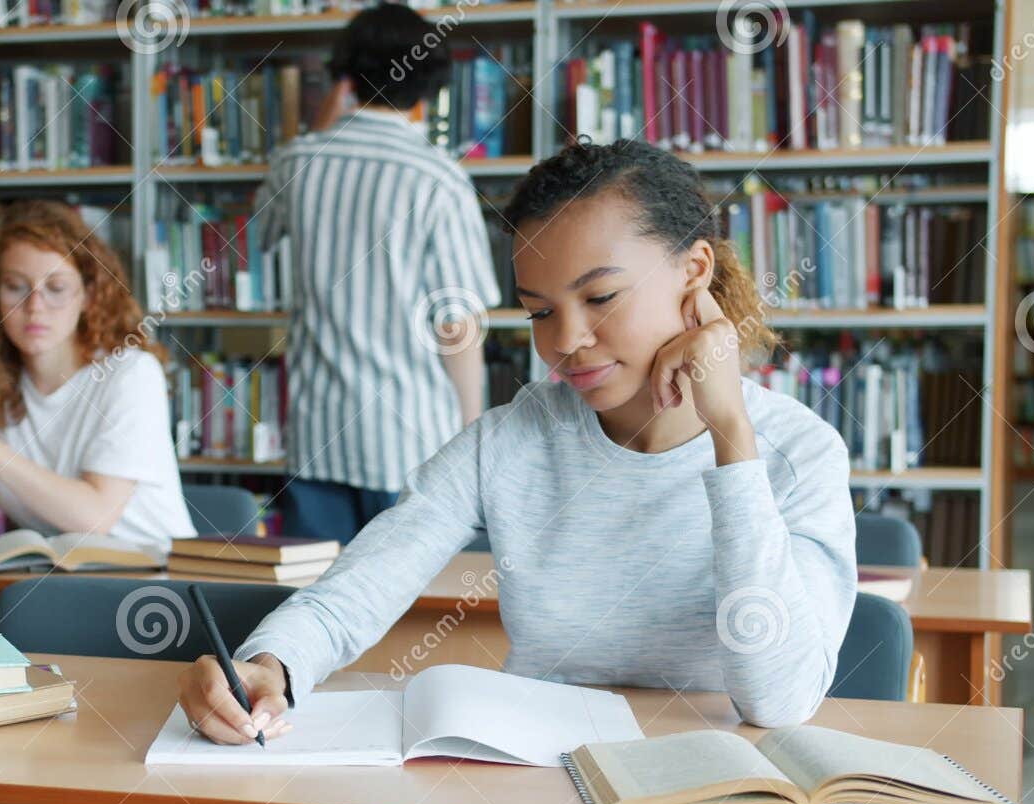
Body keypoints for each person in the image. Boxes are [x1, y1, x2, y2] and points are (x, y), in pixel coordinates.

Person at [178, 137, 859, 744]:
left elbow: (778, 701)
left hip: (711, 799)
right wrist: (269, 665)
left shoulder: (799, 454)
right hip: (539, 785)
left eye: (601, 298)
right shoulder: (512, 440)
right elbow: (361, 586)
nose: (566, 340)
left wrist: (732, 436)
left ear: (695, 269)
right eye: (539, 311)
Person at [252, 2, 501, 544]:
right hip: (411, 444)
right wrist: (471, 435)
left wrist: (322, 121)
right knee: (413, 594)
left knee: (316, 588)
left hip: (318, 436)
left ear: (345, 75)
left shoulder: (297, 162)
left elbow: (258, 239)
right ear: (431, 84)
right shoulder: (438, 178)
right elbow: (456, 322)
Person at [0, 202, 196, 550]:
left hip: (155, 573)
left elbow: (94, 518)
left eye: (56, 288)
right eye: (16, 286)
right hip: (55, 573)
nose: (34, 307)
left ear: (88, 295)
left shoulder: (132, 374)